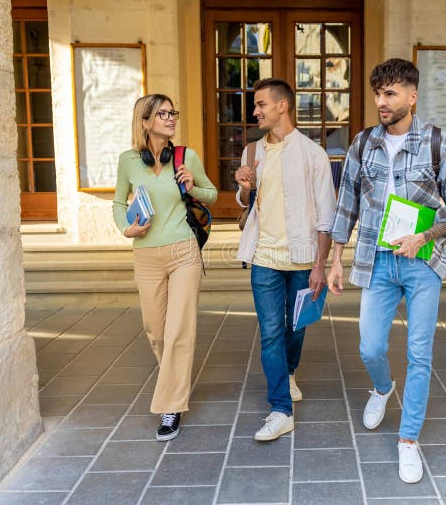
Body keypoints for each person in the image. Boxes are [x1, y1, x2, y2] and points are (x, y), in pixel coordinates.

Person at [327, 59, 446, 483]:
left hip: (422, 260)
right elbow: (346, 202)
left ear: (412, 96)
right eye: (377, 93)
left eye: (390, 94)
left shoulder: (439, 143)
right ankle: (384, 388)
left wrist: (422, 238)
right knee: (370, 347)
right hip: (378, 259)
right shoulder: (362, 143)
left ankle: (409, 441)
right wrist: (335, 256)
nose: (381, 102)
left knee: (419, 353)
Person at [235, 78, 336, 441]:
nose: (255, 111)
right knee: (271, 332)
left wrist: (320, 266)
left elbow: (327, 216)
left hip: (303, 257)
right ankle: (280, 409)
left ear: (282, 106)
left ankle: (289, 372)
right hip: (263, 256)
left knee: (296, 328)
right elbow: (246, 206)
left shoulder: (313, 154)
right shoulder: (252, 152)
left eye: (261, 104)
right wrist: (245, 188)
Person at [113, 93, 218, 441]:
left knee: (178, 330)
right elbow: (117, 202)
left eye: (173, 112)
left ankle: (170, 407)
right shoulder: (129, 161)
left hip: (183, 251)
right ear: (144, 122)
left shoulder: (185, 156)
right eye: (162, 114)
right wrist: (126, 229)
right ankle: (175, 380)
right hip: (145, 254)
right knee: (155, 330)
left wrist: (193, 187)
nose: (171, 118)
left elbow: (212, 193)